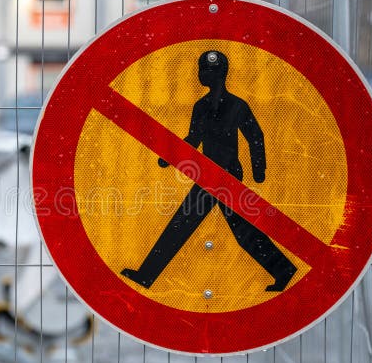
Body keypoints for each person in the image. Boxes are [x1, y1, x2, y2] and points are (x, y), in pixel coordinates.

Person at [121, 51, 297, 292]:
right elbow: (194, 138)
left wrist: (259, 170)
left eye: (207, 70)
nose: (202, 74)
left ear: (221, 74)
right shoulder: (200, 106)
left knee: (185, 225)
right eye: (201, 69)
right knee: (233, 229)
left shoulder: (237, 105)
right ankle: (284, 270)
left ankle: (146, 276)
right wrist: (169, 157)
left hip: (227, 175)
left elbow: (255, 136)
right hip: (207, 174)